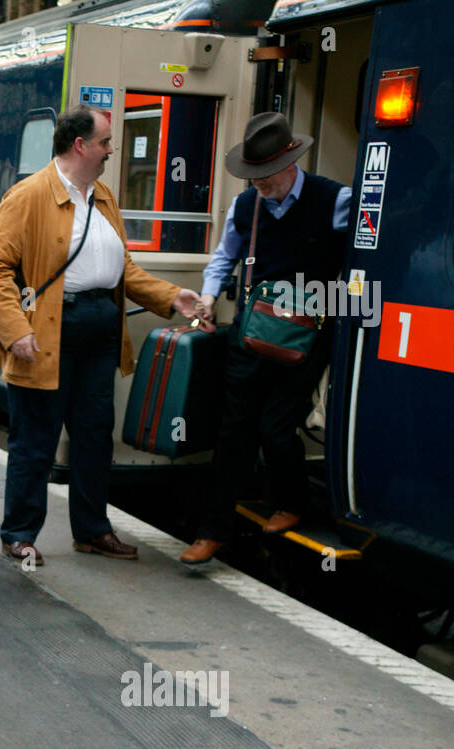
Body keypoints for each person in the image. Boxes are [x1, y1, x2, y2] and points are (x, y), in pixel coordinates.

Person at [0, 106, 201, 567]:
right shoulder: (28, 196)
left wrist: (171, 296)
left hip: (100, 330)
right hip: (46, 334)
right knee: (36, 441)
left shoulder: (102, 196)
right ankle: (18, 534)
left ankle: (92, 530)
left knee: (94, 437)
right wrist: (15, 330)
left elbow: (125, 269)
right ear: (79, 145)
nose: (110, 150)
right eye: (104, 142)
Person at [179, 112, 351, 565]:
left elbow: (364, 260)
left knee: (276, 428)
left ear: (289, 164)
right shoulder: (245, 206)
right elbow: (223, 259)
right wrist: (210, 297)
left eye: (264, 177)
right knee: (233, 430)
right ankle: (211, 532)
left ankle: (293, 503)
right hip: (252, 333)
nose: (258, 185)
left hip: (307, 337)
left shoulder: (338, 201)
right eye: (252, 178)